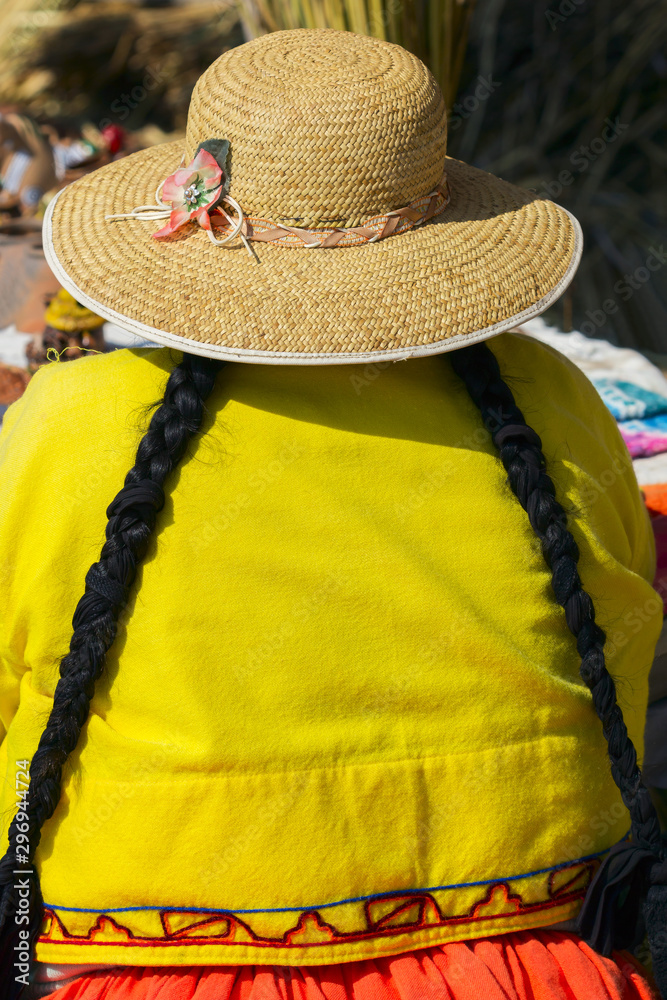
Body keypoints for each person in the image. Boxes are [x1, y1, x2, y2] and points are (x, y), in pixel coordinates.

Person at [0, 28, 665, 1000]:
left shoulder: (68, 428)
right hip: (530, 959)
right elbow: (622, 629)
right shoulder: (551, 399)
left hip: (152, 961)